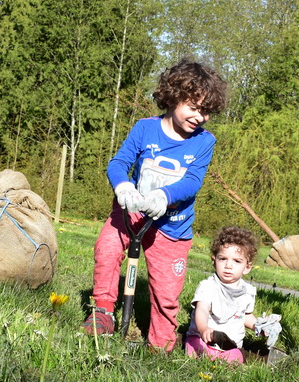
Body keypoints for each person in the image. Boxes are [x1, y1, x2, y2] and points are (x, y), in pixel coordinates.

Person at [81, 59, 228, 352]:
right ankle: (103, 312)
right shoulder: (145, 129)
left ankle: (160, 344)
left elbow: (193, 181)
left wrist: (164, 195)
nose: (200, 117)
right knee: (107, 248)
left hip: (172, 226)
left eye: (206, 111)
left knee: (166, 292)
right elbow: (119, 162)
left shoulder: (204, 142)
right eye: (194, 107)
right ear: (173, 97)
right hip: (133, 213)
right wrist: (123, 186)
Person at [184, 226, 282, 363]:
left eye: (237, 261)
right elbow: (202, 310)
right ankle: (204, 355)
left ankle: (222, 359)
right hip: (203, 339)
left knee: (237, 357)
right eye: (223, 259)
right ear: (214, 261)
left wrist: (259, 327)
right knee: (194, 347)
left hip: (229, 345)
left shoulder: (247, 292)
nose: (228, 265)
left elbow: (245, 316)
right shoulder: (208, 286)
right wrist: (203, 328)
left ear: (247, 267)